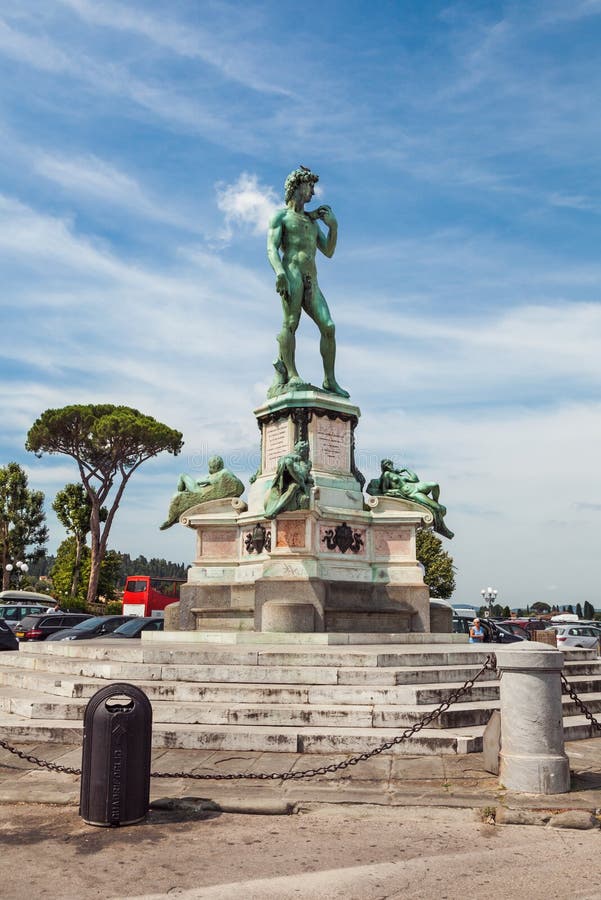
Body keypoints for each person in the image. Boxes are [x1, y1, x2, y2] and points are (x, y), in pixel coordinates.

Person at [266, 166, 349, 398]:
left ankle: (330, 380)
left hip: (311, 278)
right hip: (291, 273)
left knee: (328, 326)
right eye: (310, 186)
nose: (313, 192)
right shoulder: (281, 217)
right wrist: (279, 272)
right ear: (297, 187)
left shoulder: (312, 222)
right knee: (291, 322)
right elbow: (271, 248)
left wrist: (333, 227)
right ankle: (291, 374)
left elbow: (328, 251)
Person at [367, 459, 454, 539]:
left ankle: (436, 501)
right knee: (438, 508)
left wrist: (406, 469)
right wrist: (398, 491)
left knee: (434, 485)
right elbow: (384, 490)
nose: (390, 465)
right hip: (411, 493)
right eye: (387, 464)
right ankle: (442, 528)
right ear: (384, 466)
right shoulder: (386, 474)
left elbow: (415, 479)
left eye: (390, 463)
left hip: (416, 486)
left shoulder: (398, 475)